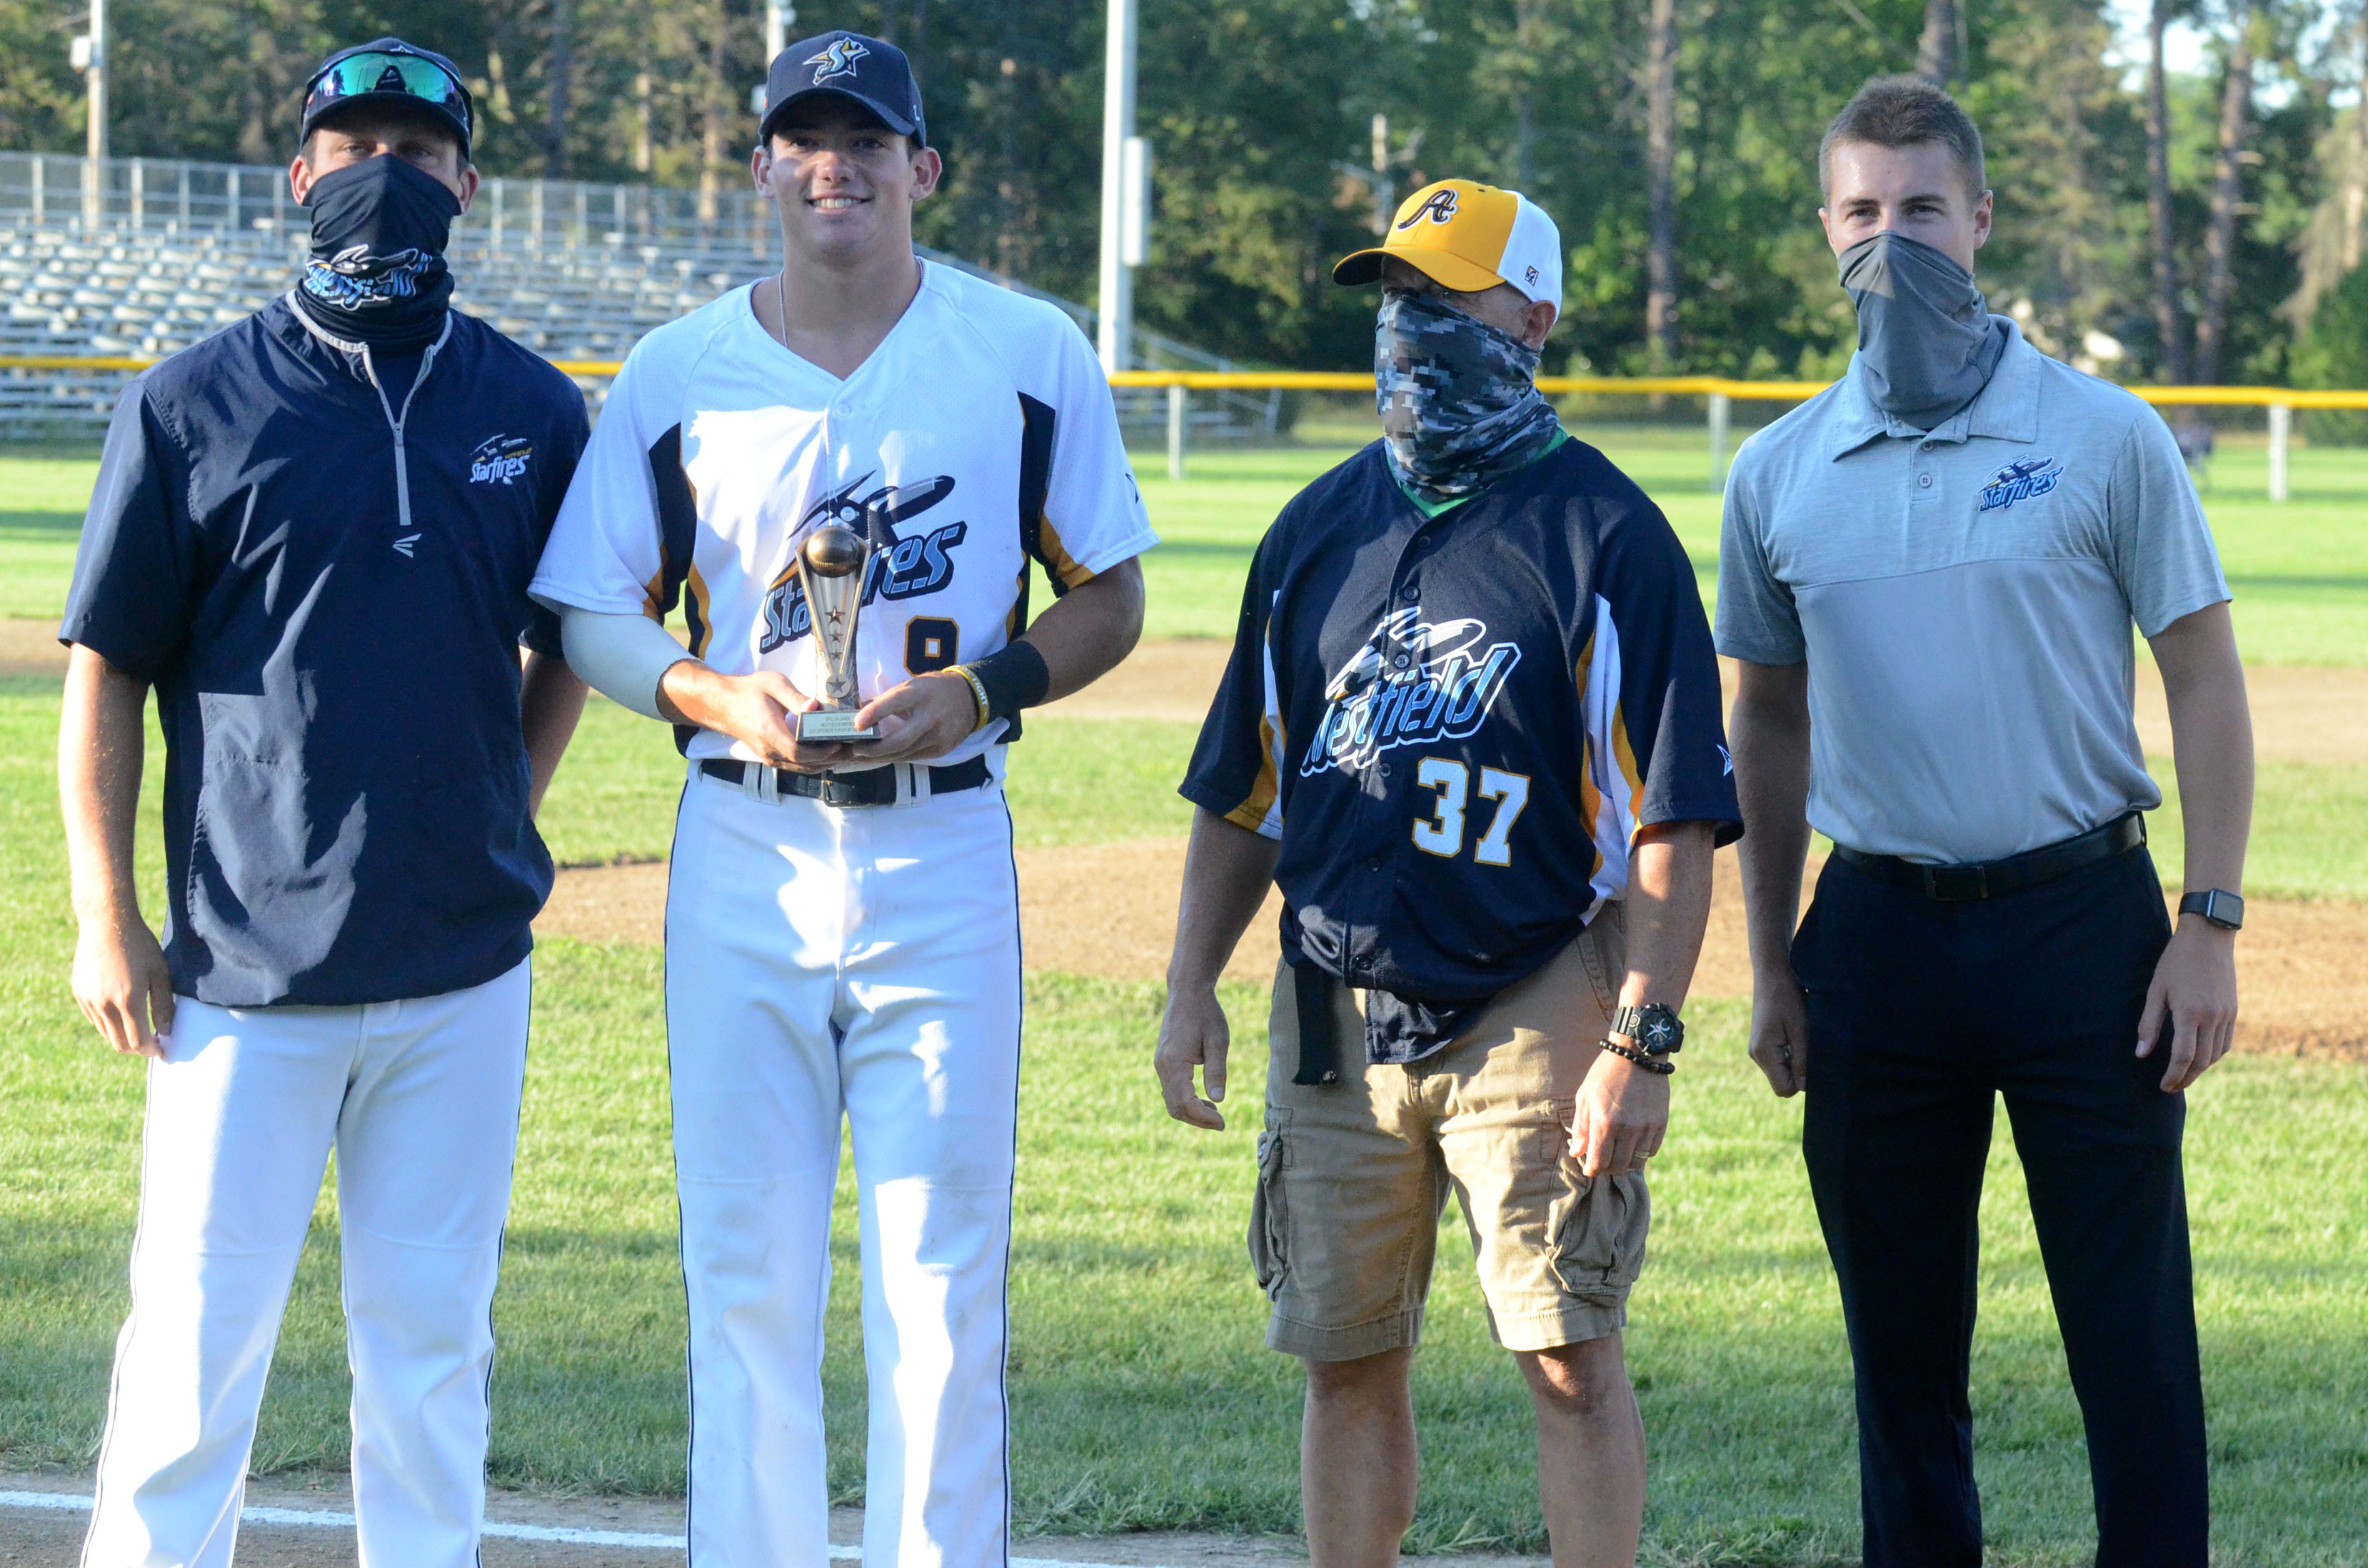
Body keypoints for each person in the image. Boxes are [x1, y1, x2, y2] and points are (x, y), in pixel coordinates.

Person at [526, 31, 1155, 1567]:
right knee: (741, 1267)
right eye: (804, 136)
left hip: (940, 843)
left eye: (867, 138)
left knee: (940, 1272)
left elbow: (1112, 594)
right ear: (759, 167)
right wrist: (702, 690)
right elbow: (592, 610)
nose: (836, 162)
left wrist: (990, 688)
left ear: (921, 169)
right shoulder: (678, 369)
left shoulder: (1022, 349)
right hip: (740, 837)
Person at [58, 38, 591, 1567]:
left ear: (467, 187)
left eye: (417, 159)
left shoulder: (536, 409)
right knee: (190, 1357)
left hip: (460, 968)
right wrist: (107, 919)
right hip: (236, 970)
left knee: (431, 1354)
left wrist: (513, 790)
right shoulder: (190, 404)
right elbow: (101, 675)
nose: (384, 182)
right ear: (300, 179)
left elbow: (567, 638)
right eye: (353, 152)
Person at [1157, 179, 1740, 1568]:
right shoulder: (1311, 533)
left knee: (1564, 1353)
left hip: (1530, 989)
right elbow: (1242, 792)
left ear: (1532, 316)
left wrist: (1638, 1043)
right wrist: (1188, 984)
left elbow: (1670, 822)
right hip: (1329, 1005)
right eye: (1395, 295)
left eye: (1447, 295)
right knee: (1342, 1355)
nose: (1411, 325)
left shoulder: (1605, 538)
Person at [1718, 78, 2252, 1568]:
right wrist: (1771, 964)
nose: (1892, 238)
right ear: (1825, 229)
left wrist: (2203, 924)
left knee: (2128, 1339)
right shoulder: (1776, 473)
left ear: (1980, 220)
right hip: (1877, 938)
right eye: (1861, 211)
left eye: (1921, 209)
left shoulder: (2100, 436)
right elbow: (1762, 722)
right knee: (1897, 1361)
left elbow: (2201, 678)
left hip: (2083, 925)